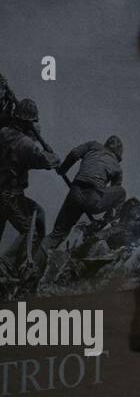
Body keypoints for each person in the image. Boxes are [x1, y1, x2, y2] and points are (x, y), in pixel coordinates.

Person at [36, 136, 126, 266]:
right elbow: (113, 193)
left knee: (56, 234)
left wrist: (62, 170)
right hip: (93, 199)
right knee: (121, 192)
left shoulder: (92, 145)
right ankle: (110, 223)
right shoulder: (117, 167)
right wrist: (108, 216)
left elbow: (73, 154)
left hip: (75, 192)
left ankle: (31, 266)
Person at [0, 99, 59, 279]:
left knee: (38, 213)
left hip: (6, 192)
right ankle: (7, 265)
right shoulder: (26, 144)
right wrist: (51, 153)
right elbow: (48, 161)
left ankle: (17, 265)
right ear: (28, 122)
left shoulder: (3, 132)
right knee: (30, 229)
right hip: (9, 195)